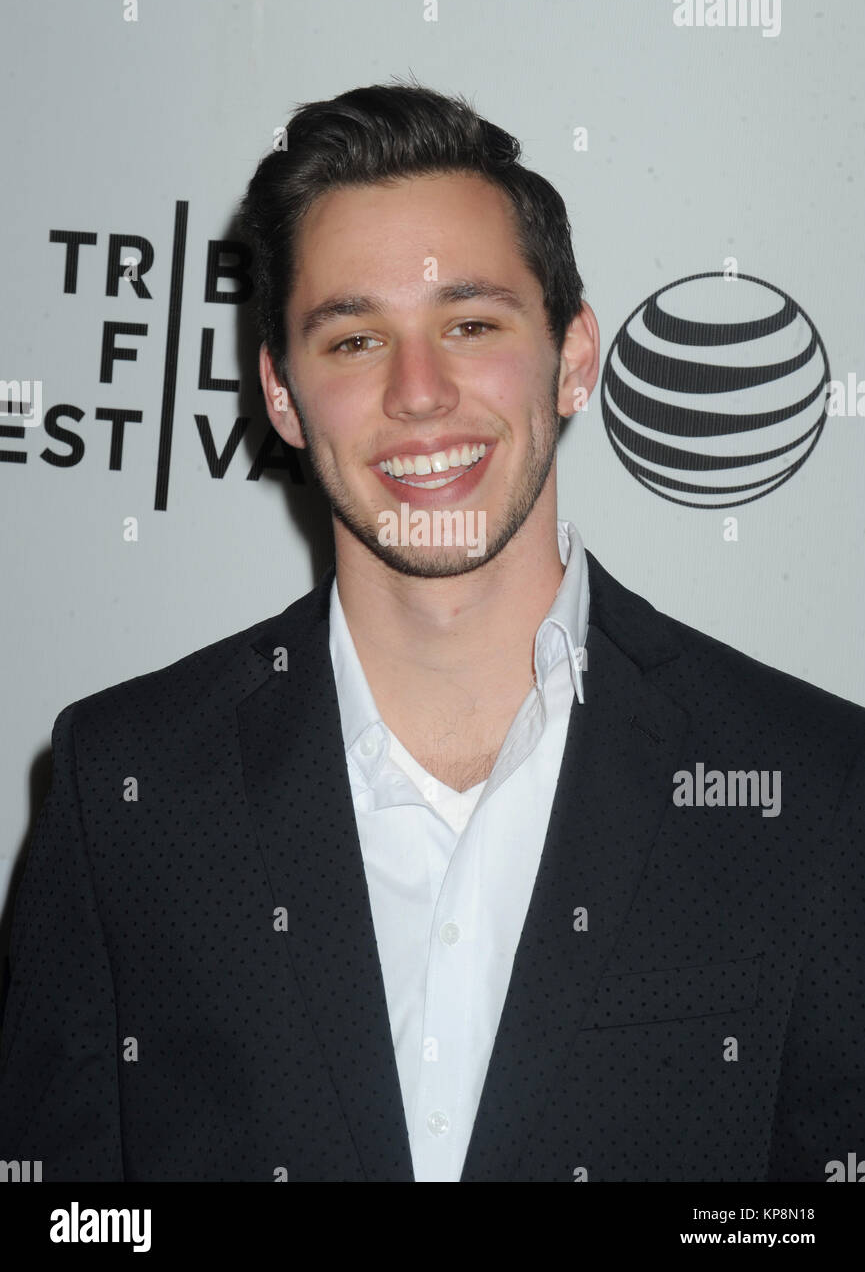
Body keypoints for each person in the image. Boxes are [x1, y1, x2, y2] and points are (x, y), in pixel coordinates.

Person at [1, 81, 863, 1183]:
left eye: (469, 323)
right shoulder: (128, 785)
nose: (418, 391)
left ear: (574, 354)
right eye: (355, 338)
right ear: (279, 394)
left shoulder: (808, 785)